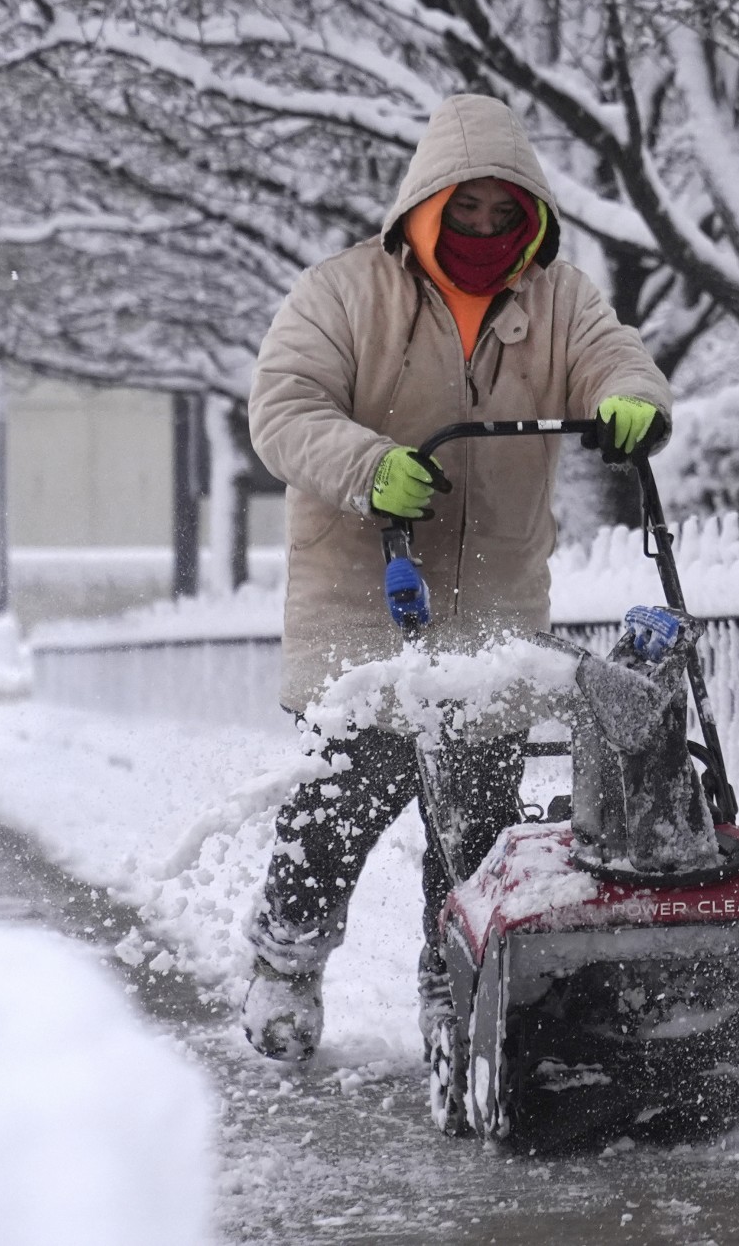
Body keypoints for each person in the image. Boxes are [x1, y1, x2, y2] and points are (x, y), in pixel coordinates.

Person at [237, 94, 671, 1064]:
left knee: (473, 824)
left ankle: (456, 988)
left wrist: (631, 400)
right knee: (342, 804)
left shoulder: (558, 297)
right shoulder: (344, 293)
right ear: (423, 206)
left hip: (493, 605)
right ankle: (287, 954)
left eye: (500, 212)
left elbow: (613, 358)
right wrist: (365, 463)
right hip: (364, 601)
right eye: (462, 210)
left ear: (532, 215)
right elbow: (284, 407)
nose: (480, 228)